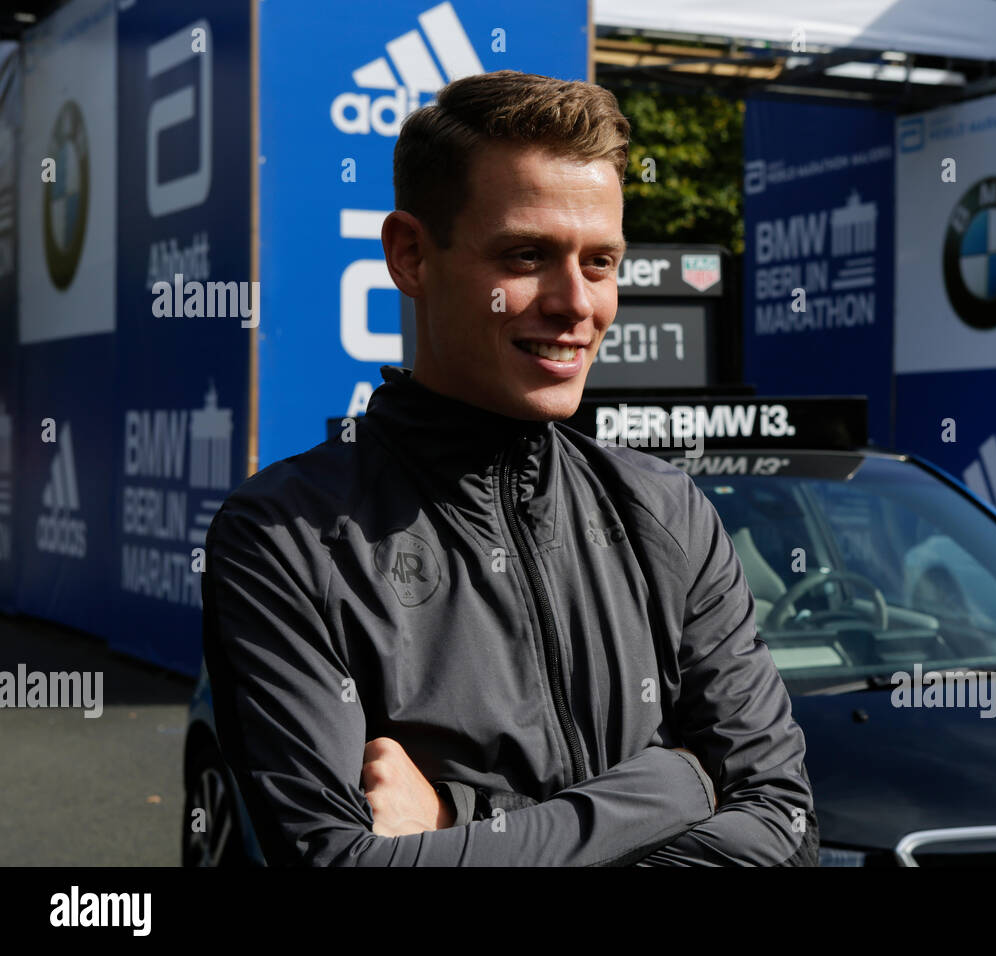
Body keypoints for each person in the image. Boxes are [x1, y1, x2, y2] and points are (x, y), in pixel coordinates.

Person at [202, 69, 817, 866]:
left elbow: (783, 830)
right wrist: (676, 786)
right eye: (528, 255)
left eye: (600, 263)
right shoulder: (284, 539)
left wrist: (463, 817)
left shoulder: (668, 512)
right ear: (412, 256)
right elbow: (338, 863)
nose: (575, 303)